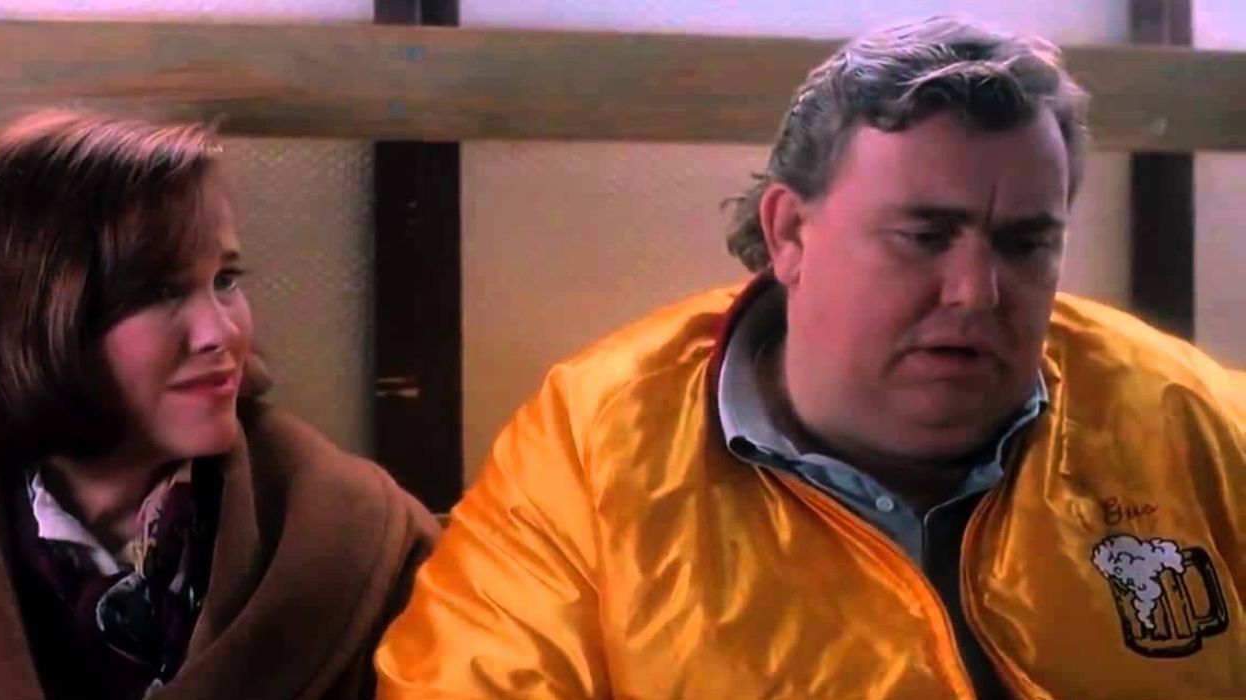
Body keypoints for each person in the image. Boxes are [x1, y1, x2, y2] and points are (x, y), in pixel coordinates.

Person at [375, 16, 1245, 699]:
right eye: (924, 236)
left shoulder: (1184, 417)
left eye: (1025, 243)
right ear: (791, 232)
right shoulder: (593, 451)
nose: (977, 291)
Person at [0, 110, 438, 700]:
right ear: (23, 317)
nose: (221, 333)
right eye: (160, 291)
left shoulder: (362, 537)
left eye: (225, 280)